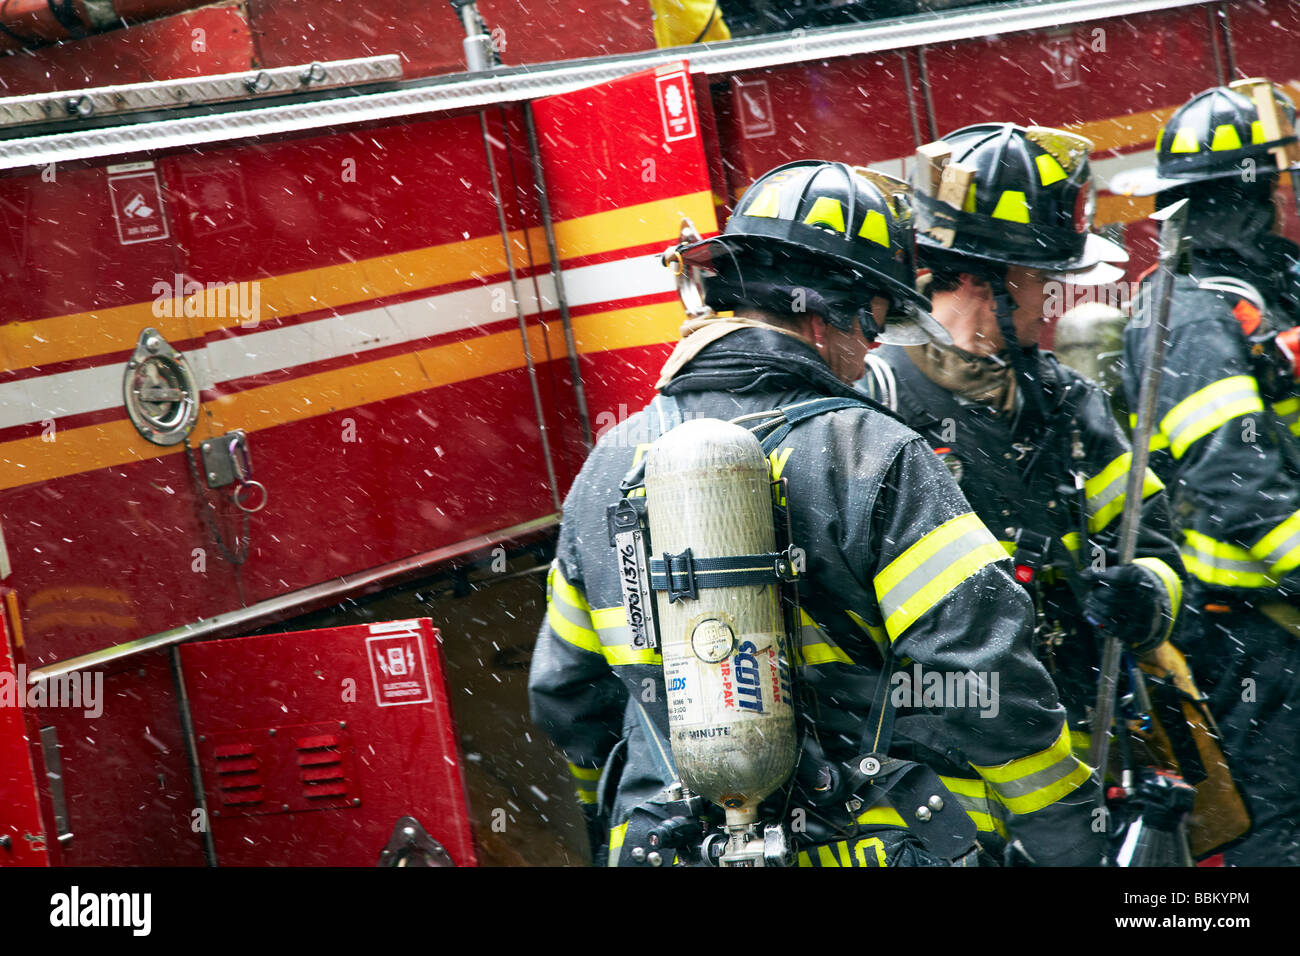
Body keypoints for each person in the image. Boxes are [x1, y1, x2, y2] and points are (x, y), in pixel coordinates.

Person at [529, 159, 1102, 867]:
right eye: (876, 326)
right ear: (829, 312)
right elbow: (984, 680)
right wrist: (1068, 834)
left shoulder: (609, 467)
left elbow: (564, 697)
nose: (868, 357)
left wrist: (620, 804)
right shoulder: (873, 454)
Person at [859, 123, 1186, 757]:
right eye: (1041, 279)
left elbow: (1154, 544)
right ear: (987, 281)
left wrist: (1144, 593)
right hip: (944, 757)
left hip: (1079, 731)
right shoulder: (876, 405)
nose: (1052, 298)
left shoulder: (1068, 400)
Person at [1119, 80, 1300, 866]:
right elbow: (1241, 483)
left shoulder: (1269, 287)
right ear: (1246, 192)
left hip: (1280, 620)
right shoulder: (1187, 317)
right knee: (1277, 832)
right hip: (1252, 637)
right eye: (1276, 181)